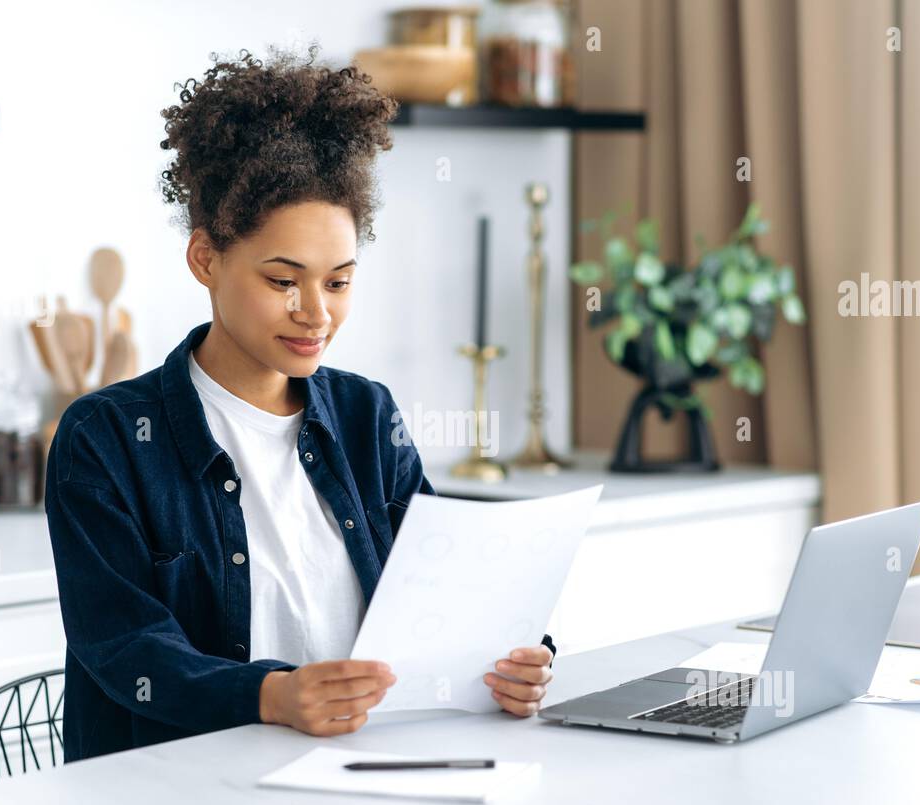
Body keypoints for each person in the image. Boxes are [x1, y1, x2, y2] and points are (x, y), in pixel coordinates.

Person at [44, 45, 556, 763]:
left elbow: (444, 586)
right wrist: (270, 695)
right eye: (285, 280)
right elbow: (125, 647)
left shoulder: (365, 418)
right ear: (205, 259)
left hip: (355, 784)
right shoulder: (106, 439)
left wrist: (516, 658)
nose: (315, 313)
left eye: (339, 282)